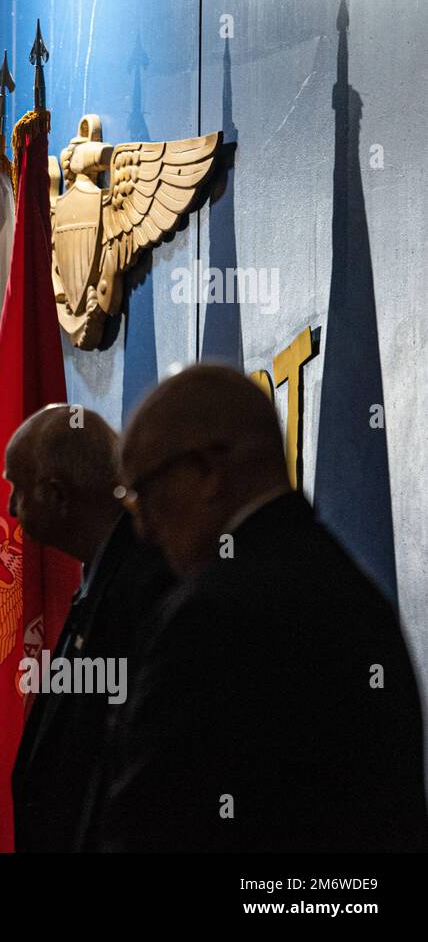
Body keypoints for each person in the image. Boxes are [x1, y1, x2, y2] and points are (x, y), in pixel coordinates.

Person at [98, 363, 428, 851]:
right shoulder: (351, 593)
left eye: (143, 492)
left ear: (208, 472)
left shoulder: (211, 617)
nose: (142, 527)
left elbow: (152, 827)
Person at [4, 405, 175, 852]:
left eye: (18, 490)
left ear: (58, 495)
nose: (9, 508)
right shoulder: (108, 575)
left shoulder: (145, 582)